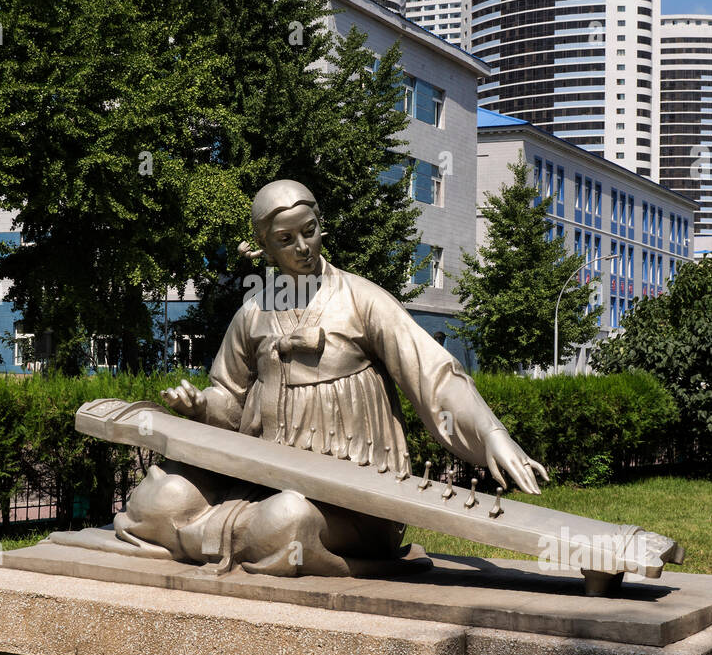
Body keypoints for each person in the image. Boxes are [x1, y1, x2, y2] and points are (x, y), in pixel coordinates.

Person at [113, 180, 548, 576]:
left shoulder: (362, 300)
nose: (302, 246)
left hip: (355, 498)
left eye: (310, 230)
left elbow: (434, 374)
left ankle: (201, 537)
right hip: (262, 477)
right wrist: (202, 405)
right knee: (162, 496)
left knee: (288, 520)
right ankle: (217, 532)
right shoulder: (252, 314)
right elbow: (230, 398)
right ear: (265, 248)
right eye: (285, 240)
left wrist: (491, 434)